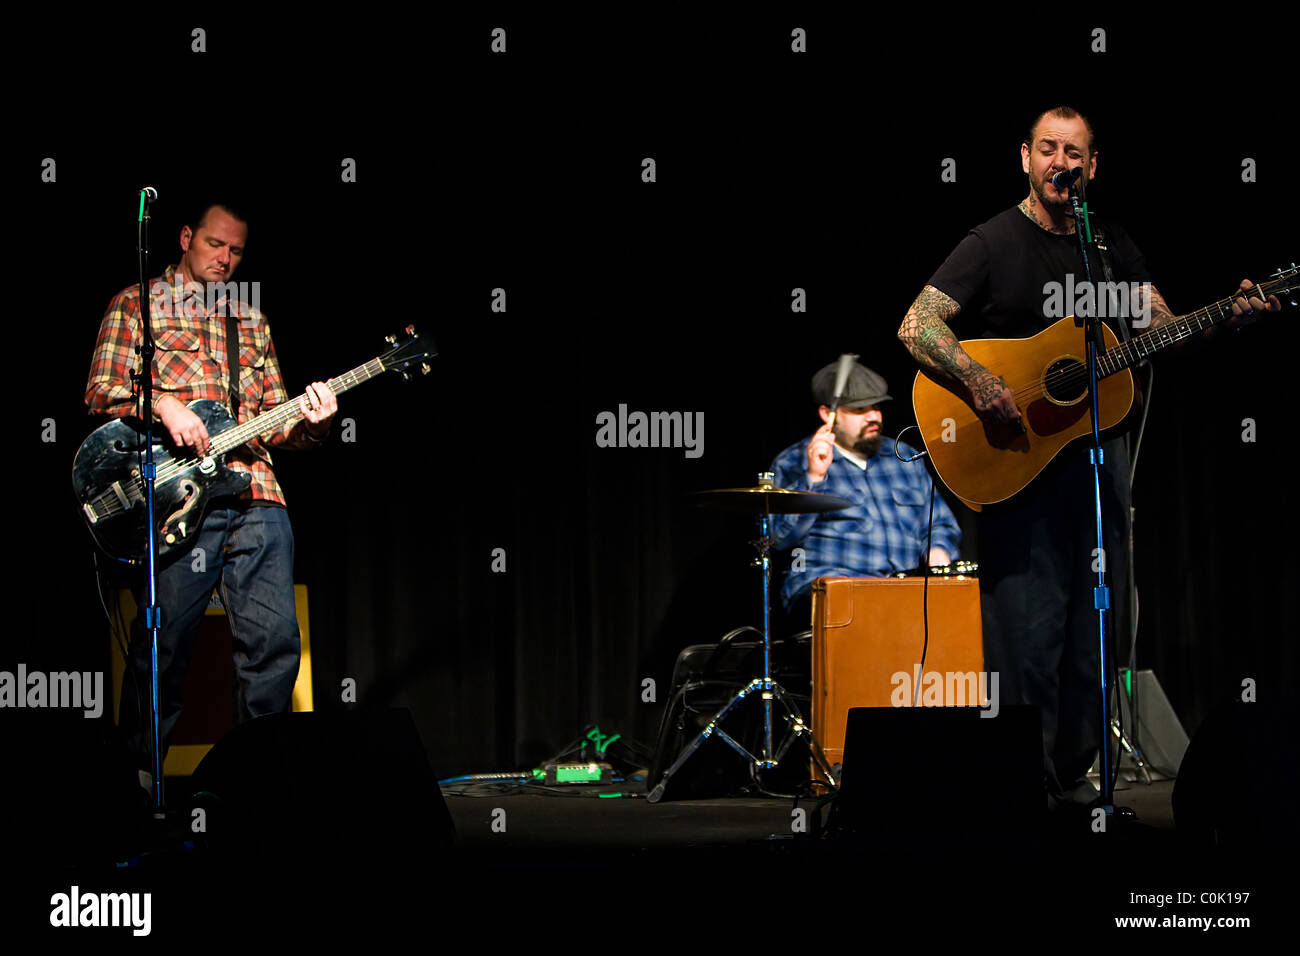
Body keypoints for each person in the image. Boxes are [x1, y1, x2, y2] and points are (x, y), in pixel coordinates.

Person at [895, 105, 1280, 810]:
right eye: (1048, 149)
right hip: (1016, 467)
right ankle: (1019, 786)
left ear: (1092, 166)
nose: (1060, 164)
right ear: (1024, 157)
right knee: (1028, 637)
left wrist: (1225, 314)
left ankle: (1071, 785)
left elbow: (1158, 327)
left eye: (1074, 153)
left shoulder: (1107, 249)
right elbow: (916, 322)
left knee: (1094, 638)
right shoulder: (991, 242)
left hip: (1097, 471)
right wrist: (980, 381)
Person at [84, 200, 338, 782]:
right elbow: (99, 391)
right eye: (214, 245)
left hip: (256, 490)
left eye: (236, 251)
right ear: (183, 237)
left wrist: (313, 422)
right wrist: (165, 403)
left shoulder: (250, 320)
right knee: (164, 643)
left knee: (274, 645)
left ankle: (260, 785)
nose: (225, 260)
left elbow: (277, 421)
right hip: (177, 496)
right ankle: (137, 785)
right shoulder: (136, 304)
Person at [770, 360, 962, 627]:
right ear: (828, 414)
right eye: (860, 409)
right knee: (871, 615)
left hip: (901, 588)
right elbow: (781, 539)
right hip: (832, 588)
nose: (874, 417)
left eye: (876, 407)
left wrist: (938, 548)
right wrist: (814, 478)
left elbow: (940, 522)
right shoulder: (793, 462)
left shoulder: (904, 456)